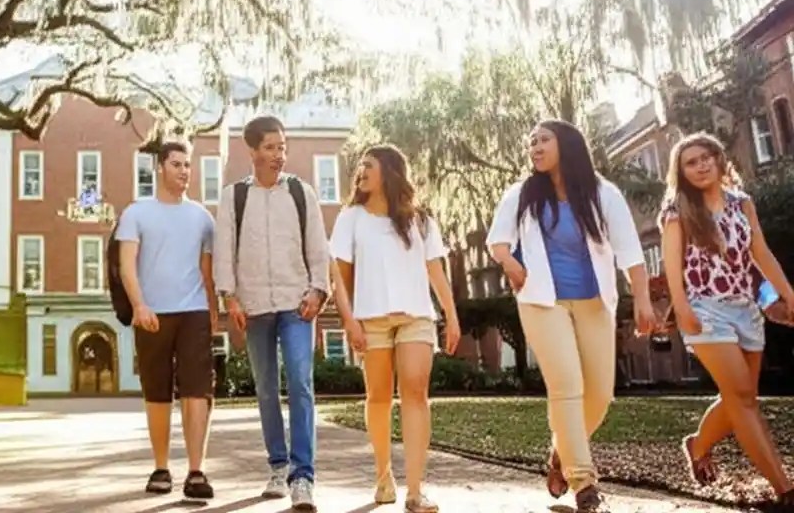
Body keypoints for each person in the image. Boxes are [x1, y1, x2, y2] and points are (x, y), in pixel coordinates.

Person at [488, 120, 655, 513]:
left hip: (594, 300)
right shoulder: (523, 193)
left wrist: (643, 297)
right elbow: (497, 240)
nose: (535, 147)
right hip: (542, 300)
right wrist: (509, 262)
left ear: (566, 144)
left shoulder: (602, 193)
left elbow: (630, 250)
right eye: (531, 142)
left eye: (543, 139)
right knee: (566, 384)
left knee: (599, 393)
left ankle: (560, 452)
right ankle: (584, 483)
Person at [660, 133, 794, 507]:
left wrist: (789, 293)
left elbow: (761, 253)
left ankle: (698, 444)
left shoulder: (742, 204)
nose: (701, 165)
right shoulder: (677, 212)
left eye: (707, 157)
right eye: (691, 162)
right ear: (681, 172)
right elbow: (673, 268)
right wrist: (683, 309)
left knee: (743, 398)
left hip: (745, 309)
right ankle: (785, 489)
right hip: (705, 309)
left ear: (720, 160)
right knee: (743, 401)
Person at [329, 145, 460, 513]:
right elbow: (338, 275)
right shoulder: (350, 217)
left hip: (416, 316)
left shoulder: (420, 220)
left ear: (388, 170)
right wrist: (349, 320)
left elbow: (436, 269)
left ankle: (416, 491)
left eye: (368, 165)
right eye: (359, 167)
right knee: (379, 397)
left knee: (416, 393)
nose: (360, 171)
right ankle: (383, 475)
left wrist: (451, 314)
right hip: (371, 320)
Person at [214, 116, 330, 511]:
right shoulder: (234, 196)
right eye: (270, 147)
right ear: (252, 151)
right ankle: (278, 467)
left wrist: (318, 291)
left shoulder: (301, 192)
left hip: (297, 302)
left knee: (299, 382)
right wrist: (229, 298)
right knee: (266, 388)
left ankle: (303, 477)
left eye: (282, 147)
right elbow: (225, 250)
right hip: (254, 306)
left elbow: (318, 247)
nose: (279, 155)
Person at [116, 141, 217, 500]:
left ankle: (196, 471)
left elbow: (207, 273)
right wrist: (139, 305)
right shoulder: (137, 213)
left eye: (188, 165)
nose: (184, 171)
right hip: (152, 313)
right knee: (157, 392)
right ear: (160, 167)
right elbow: (127, 264)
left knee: (197, 391)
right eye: (177, 164)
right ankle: (161, 467)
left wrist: (214, 315)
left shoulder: (203, 218)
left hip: (194, 313)